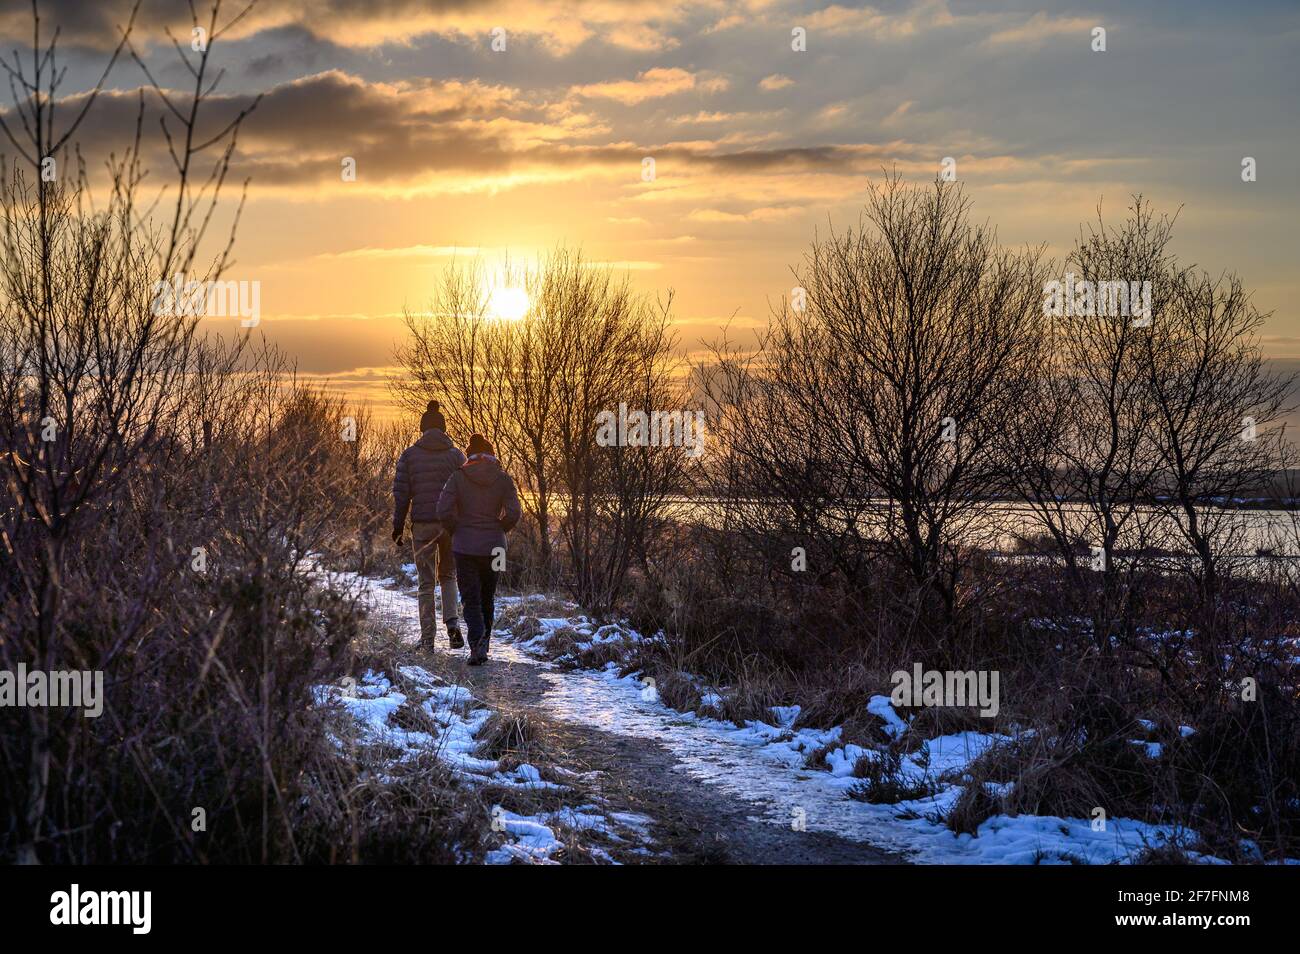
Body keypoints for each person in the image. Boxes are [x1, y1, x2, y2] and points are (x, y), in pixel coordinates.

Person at [436, 433, 522, 665]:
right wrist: (499, 529)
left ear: (470, 453)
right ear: (491, 454)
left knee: (470, 599)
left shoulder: (458, 477)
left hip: (465, 548)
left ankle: (476, 646)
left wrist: (457, 530)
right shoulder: (504, 479)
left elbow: (443, 510)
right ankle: (484, 643)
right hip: (497, 548)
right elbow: (514, 513)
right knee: (488, 596)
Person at [392, 401, 466, 650]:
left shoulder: (410, 455)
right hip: (449, 527)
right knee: (448, 575)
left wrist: (398, 526)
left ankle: (427, 639)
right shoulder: (456, 455)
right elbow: (466, 492)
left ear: (422, 429)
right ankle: (452, 623)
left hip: (422, 525)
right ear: (444, 429)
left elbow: (402, 494)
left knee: (425, 582)